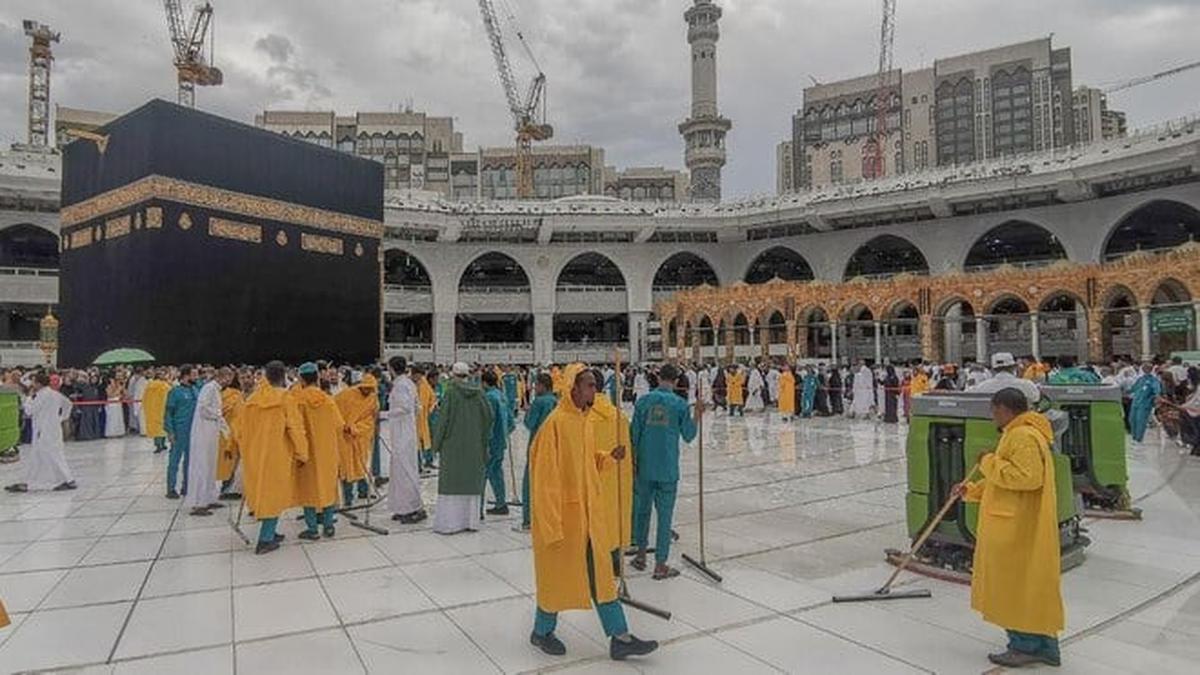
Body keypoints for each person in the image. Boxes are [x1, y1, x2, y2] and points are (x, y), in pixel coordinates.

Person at [528, 367, 658, 661]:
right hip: (564, 522)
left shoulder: (583, 421)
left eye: (594, 386)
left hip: (588, 520)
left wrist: (609, 458)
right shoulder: (555, 425)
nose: (593, 391)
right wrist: (551, 527)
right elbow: (544, 481)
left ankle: (620, 637)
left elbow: (587, 463)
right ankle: (541, 631)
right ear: (572, 388)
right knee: (558, 579)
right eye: (588, 385)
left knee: (600, 577)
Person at [953, 388, 1064, 668]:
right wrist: (971, 490)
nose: (992, 416)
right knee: (1028, 586)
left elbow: (1026, 478)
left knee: (1014, 587)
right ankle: (1044, 645)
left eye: (993, 411)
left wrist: (987, 462)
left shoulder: (1023, 436)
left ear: (1003, 409)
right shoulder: (1019, 433)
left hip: (1016, 529)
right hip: (1016, 521)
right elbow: (1002, 484)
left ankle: (1024, 646)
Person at [630, 363, 698, 580]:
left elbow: (633, 436)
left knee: (642, 512)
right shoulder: (679, 405)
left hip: (645, 468)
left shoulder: (643, 402)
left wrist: (633, 464)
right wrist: (697, 415)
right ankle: (660, 565)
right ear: (676, 381)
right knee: (664, 517)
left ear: (658, 378)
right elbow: (688, 435)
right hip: (667, 469)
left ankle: (640, 555)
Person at [237, 361, 308, 555]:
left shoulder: (252, 399)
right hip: (276, 453)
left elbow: (239, 428)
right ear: (283, 376)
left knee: (262, 491)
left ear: (266, 376)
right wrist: (303, 453)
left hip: (253, 453)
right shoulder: (285, 397)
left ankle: (272, 531)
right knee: (273, 494)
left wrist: (241, 449)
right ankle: (265, 540)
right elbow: (295, 428)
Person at [432, 362, 492, 534]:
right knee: (470, 484)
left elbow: (443, 421)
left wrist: (436, 445)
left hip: (452, 447)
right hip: (474, 446)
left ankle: (450, 524)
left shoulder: (450, 393)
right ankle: (471, 522)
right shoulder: (480, 393)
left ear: (453, 374)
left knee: (452, 484)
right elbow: (489, 417)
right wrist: (480, 436)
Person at [292, 362, 343, 539]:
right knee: (328, 488)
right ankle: (328, 526)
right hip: (328, 452)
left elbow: (294, 427)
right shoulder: (328, 399)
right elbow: (339, 425)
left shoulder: (297, 400)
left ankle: (312, 529)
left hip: (307, 453)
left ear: (301, 379)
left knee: (308, 490)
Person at [5, 372, 74, 493]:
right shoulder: (54, 394)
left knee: (49, 455)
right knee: (52, 454)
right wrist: (61, 418)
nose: (32, 384)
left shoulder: (42, 396)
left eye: (33, 381)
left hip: (43, 431)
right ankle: (58, 478)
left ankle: (64, 479)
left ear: (38, 383)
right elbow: (68, 404)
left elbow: (29, 411)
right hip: (53, 429)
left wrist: (28, 398)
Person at [589, 367, 634, 554]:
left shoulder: (585, 419)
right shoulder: (620, 417)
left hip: (594, 482)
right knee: (615, 518)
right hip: (617, 482)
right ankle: (615, 559)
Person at [386, 357, 427, 524]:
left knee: (405, 471)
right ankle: (402, 507)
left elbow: (405, 407)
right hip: (406, 432)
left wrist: (385, 414)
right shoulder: (408, 383)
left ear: (392, 368)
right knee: (401, 471)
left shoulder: (401, 385)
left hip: (403, 434)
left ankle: (413, 508)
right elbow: (417, 407)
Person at [184, 367, 227, 516]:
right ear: (222, 377)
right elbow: (203, 408)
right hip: (203, 434)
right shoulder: (209, 388)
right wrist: (219, 413)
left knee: (210, 466)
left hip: (211, 434)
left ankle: (209, 498)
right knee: (202, 466)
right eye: (227, 377)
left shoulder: (215, 389)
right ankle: (198, 503)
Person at [334, 372, 379, 508]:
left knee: (360, 465)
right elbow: (333, 411)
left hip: (361, 437)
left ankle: (363, 492)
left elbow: (371, 419)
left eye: (371, 389)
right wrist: (343, 426)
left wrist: (356, 428)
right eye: (366, 388)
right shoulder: (345, 395)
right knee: (347, 468)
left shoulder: (373, 399)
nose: (368, 391)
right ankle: (348, 498)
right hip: (344, 437)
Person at [520, 372, 558, 531]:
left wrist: (528, 411)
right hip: (553, 446)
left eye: (536, 385)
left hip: (538, 445)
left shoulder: (539, 402)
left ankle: (528, 520)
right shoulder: (556, 401)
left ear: (543, 385)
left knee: (530, 482)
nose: (535, 388)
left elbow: (530, 423)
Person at [482, 369, 515, 515]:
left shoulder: (489, 397)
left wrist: (486, 443)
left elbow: (488, 421)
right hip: (500, 441)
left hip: (491, 442)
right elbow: (511, 422)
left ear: (484, 382)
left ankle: (477, 509)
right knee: (496, 473)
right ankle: (501, 503)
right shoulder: (501, 396)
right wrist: (504, 434)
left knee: (483, 474)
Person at [164, 365, 200, 499]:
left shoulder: (195, 390)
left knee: (190, 461)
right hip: (179, 430)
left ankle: (187, 486)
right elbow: (168, 412)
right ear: (186, 376)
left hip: (193, 430)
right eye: (194, 375)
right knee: (175, 459)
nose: (196, 377)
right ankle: (171, 488)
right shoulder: (175, 392)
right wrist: (170, 431)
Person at [967, 353, 1041, 405]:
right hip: (1020, 424)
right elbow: (1036, 399)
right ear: (1013, 367)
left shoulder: (981, 387)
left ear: (993, 370)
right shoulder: (1027, 385)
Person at [217, 370, 245, 500]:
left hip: (238, 429)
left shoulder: (238, 394)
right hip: (225, 430)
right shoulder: (221, 393)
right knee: (228, 460)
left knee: (236, 460)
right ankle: (227, 487)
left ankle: (235, 488)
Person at [1128, 362, 1161, 443]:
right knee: (1132, 419)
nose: (1145, 369)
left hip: (1145, 404)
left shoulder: (1153, 380)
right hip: (1135, 402)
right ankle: (1134, 436)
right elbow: (1133, 388)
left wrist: (1156, 400)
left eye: (1147, 368)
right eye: (1144, 368)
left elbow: (1157, 391)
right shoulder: (1140, 379)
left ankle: (1138, 438)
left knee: (1140, 420)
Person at [141, 369, 171, 453]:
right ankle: (163, 444)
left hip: (152, 410)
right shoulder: (165, 385)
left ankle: (158, 445)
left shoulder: (149, 386)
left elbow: (145, 398)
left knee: (156, 429)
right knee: (163, 428)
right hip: (163, 409)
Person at [417, 367, 438, 471]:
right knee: (421, 441)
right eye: (435, 379)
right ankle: (421, 463)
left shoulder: (430, 387)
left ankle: (428, 461)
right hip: (423, 417)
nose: (437, 382)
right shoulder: (423, 386)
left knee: (429, 440)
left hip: (430, 417)